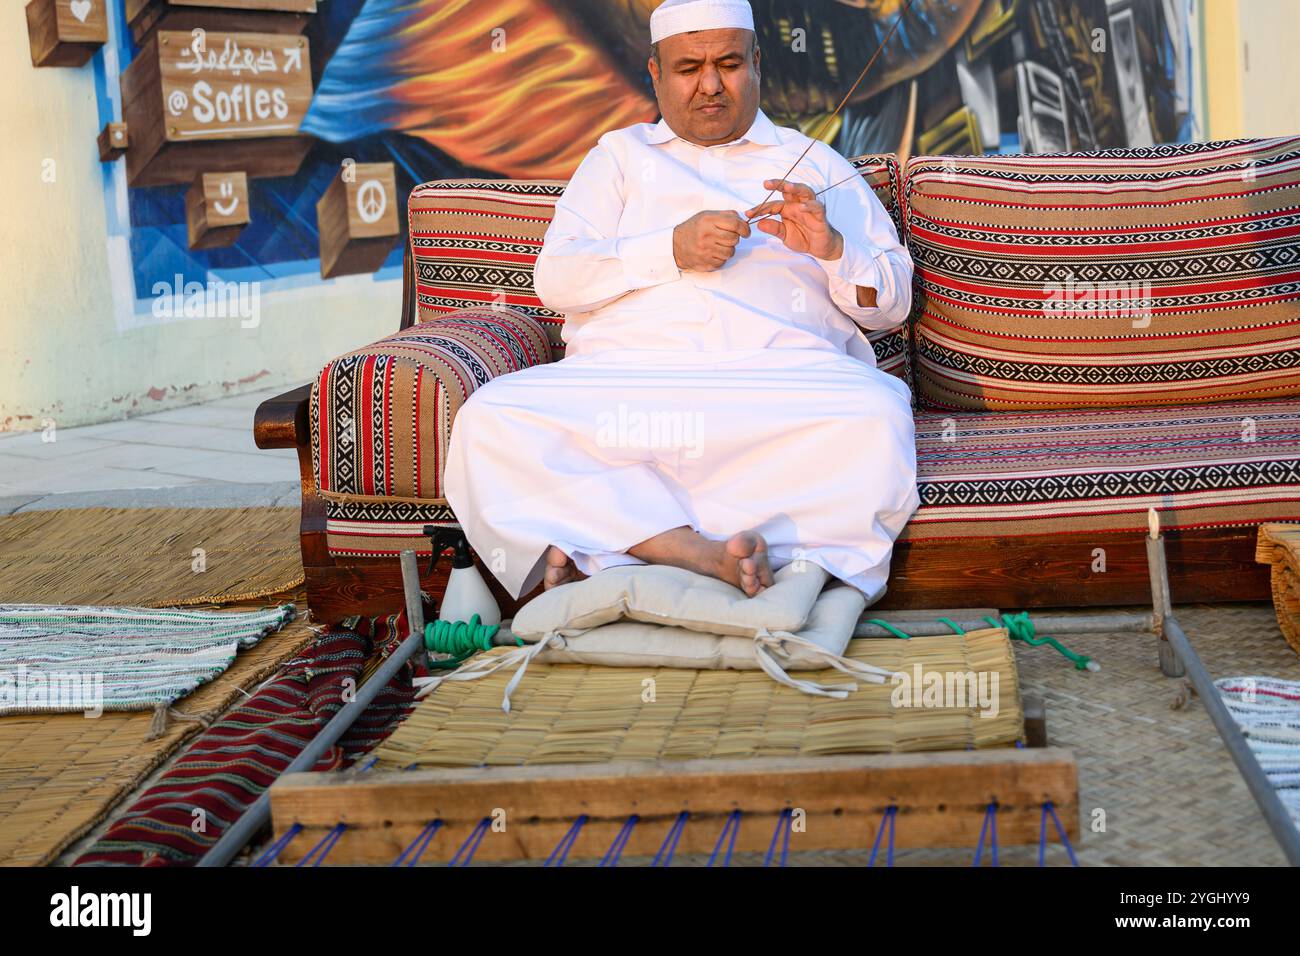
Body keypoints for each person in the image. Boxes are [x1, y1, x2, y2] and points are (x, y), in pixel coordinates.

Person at [443, 0, 919, 602]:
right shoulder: (617, 159)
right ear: (656, 74)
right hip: (625, 390)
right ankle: (694, 551)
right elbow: (556, 279)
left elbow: (892, 305)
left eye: (728, 63)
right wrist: (670, 248)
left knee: (873, 418)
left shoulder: (817, 165)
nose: (711, 85)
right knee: (490, 421)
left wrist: (831, 247)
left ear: (757, 63)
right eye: (689, 67)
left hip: (774, 391)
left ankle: (614, 543)